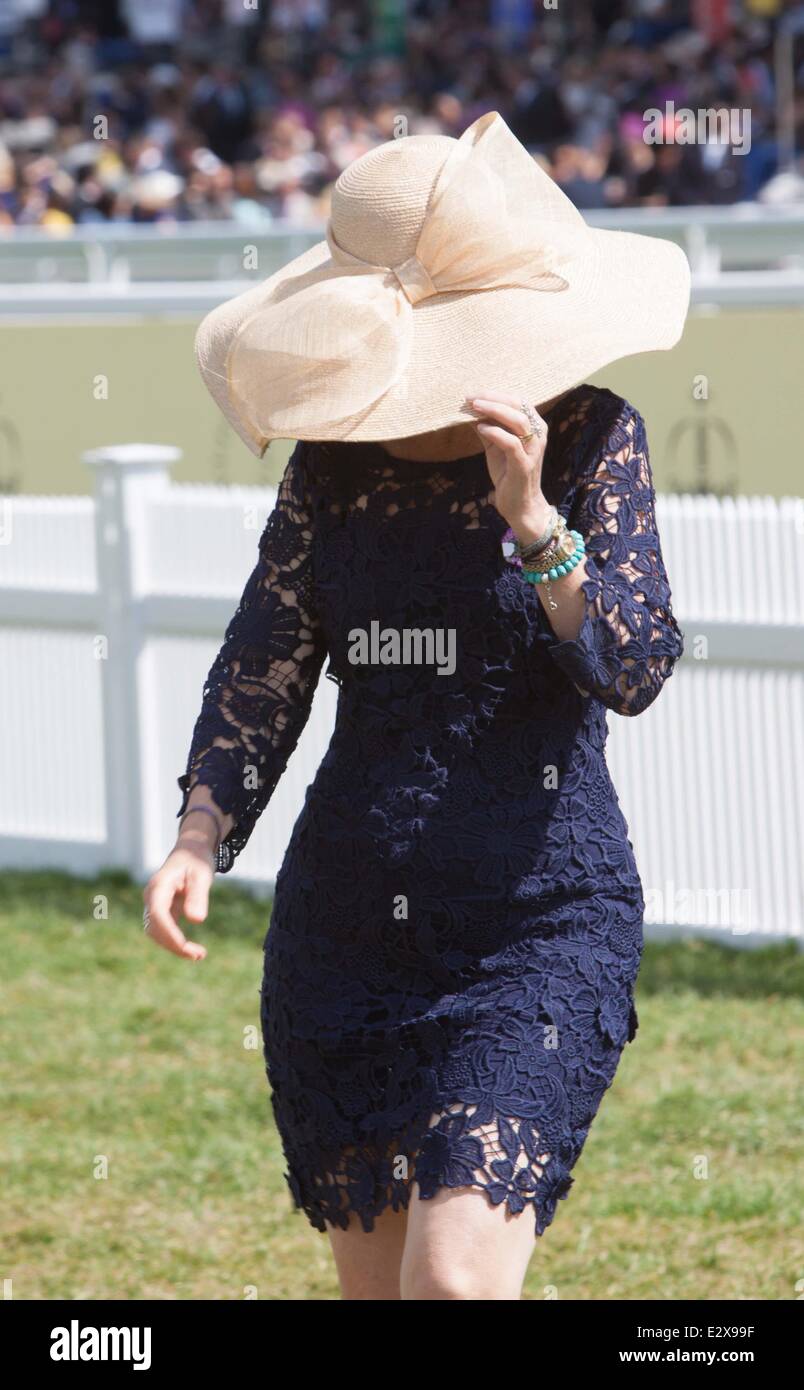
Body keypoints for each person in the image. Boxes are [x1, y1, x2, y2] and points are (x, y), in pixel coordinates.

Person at [143, 111, 690, 1300]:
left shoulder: (595, 437)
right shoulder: (331, 471)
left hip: (538, 920)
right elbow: (265, 660)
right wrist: (197, 834)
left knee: (452, 1285)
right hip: (344, 930)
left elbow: (635, 665)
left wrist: (537, 525)